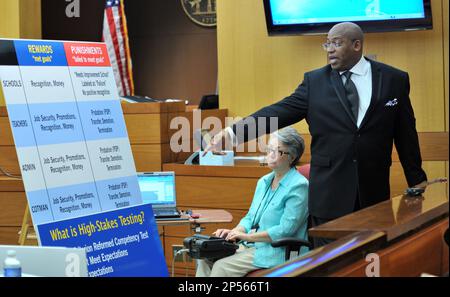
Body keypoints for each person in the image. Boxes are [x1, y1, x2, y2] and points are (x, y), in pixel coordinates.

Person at [205, 22, 428, 247]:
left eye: (337, 43)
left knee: (370, 263)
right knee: (327, 267)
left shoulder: (393, 80)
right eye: (327, 44)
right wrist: (233, 133)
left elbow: (406, 137)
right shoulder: (315, 82)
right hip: (329, 199)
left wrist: (419, 184)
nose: (330, 49)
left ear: (357, 45)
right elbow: (278, 111)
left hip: (373, 196)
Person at [196, 127, 309, 277]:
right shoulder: (264, 181)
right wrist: (235, 232)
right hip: (251, 245)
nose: (270, 155)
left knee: (221, 267)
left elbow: (285, 230)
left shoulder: (299, 186)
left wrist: (247, 237)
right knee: (205, 258)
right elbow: (250, 217)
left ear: (292, 157)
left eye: (278, 151)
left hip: (275, 251)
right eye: (269, 149)